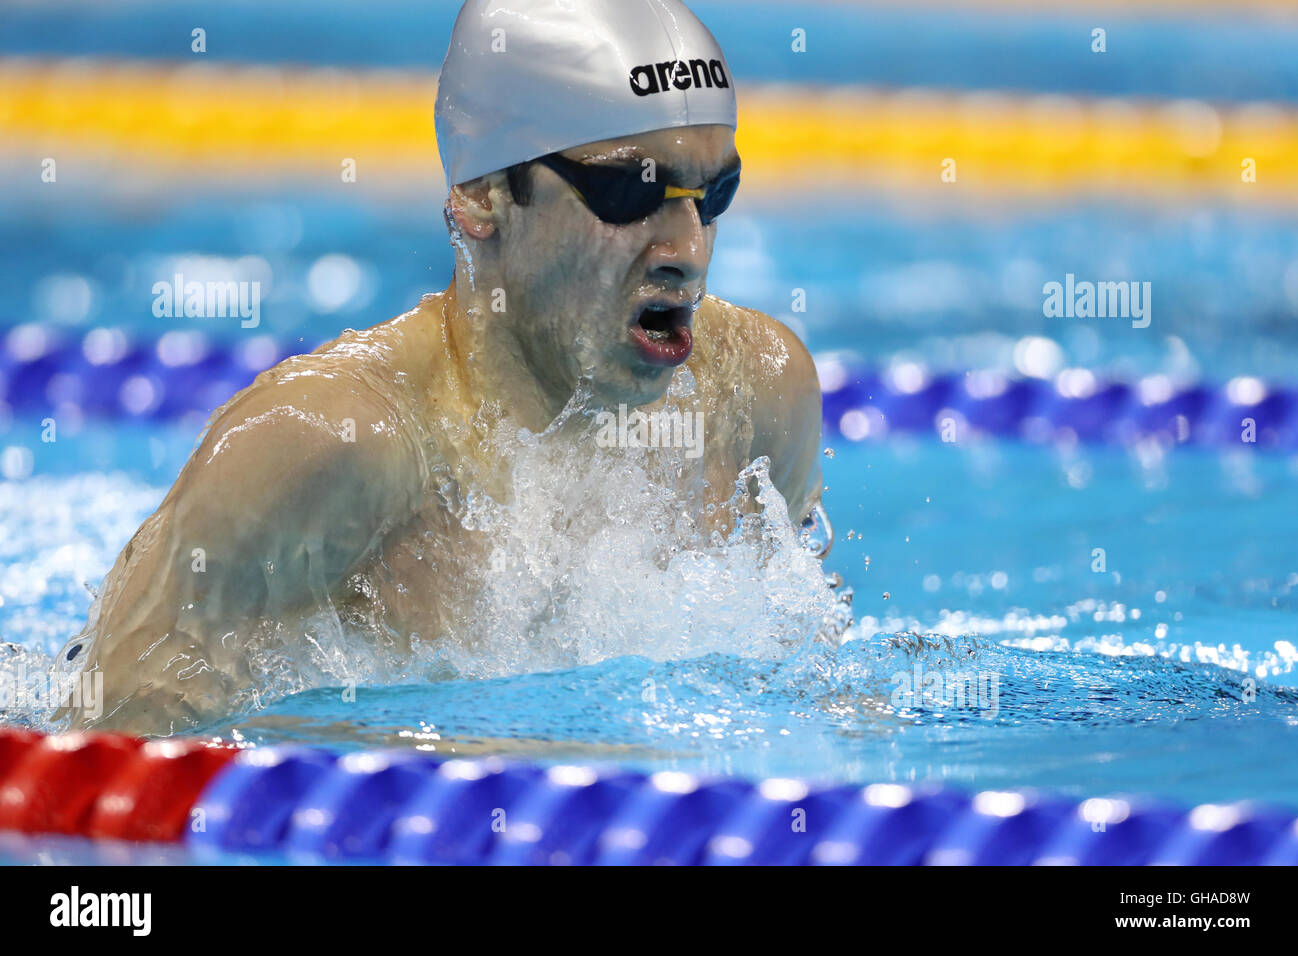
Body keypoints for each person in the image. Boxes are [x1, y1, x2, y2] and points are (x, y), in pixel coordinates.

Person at [59, 0, 826, 735]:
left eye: (712, 196)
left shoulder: (753, 393)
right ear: (482, 194)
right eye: (631, 191)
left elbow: (804, 683)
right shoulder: (329, 446)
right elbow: (103, 777)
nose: (688, 253)